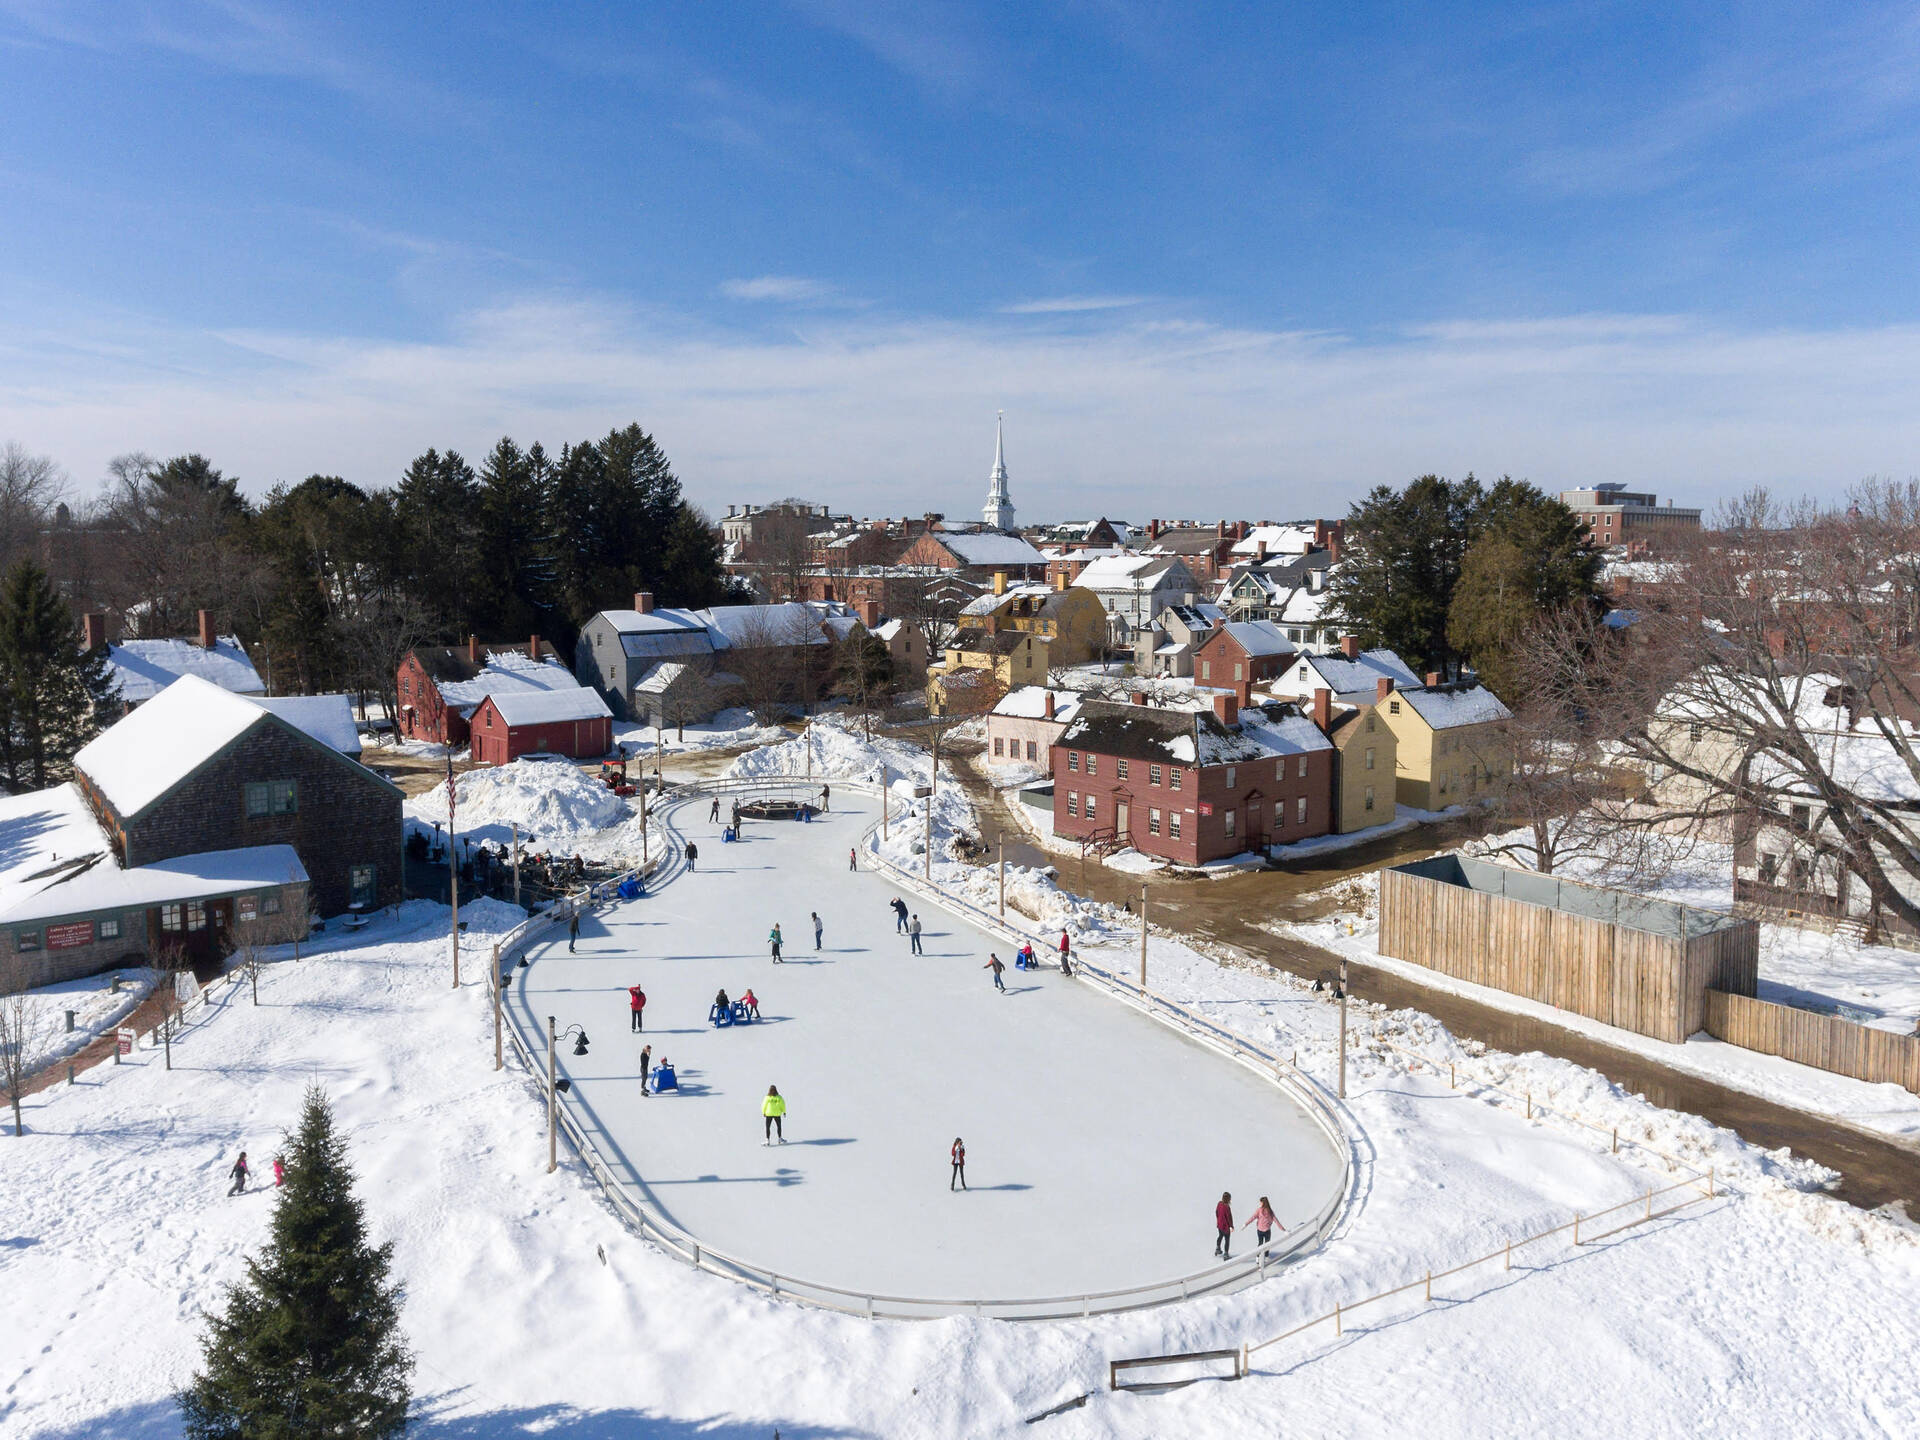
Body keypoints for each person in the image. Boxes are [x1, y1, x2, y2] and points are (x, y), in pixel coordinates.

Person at [1215, 1192, 1234, 1259]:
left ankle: (1218, 1248)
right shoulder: (1227, 1207)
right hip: (1225, 1227)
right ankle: (1226, 1254)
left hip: (1220, 1224)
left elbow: (1216, 1212)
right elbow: (1229, 1218)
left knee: (1220, 1236)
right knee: (1227, 1240)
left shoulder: (1219, 1203)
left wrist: (1218, 1219)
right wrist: (1231, 1226)